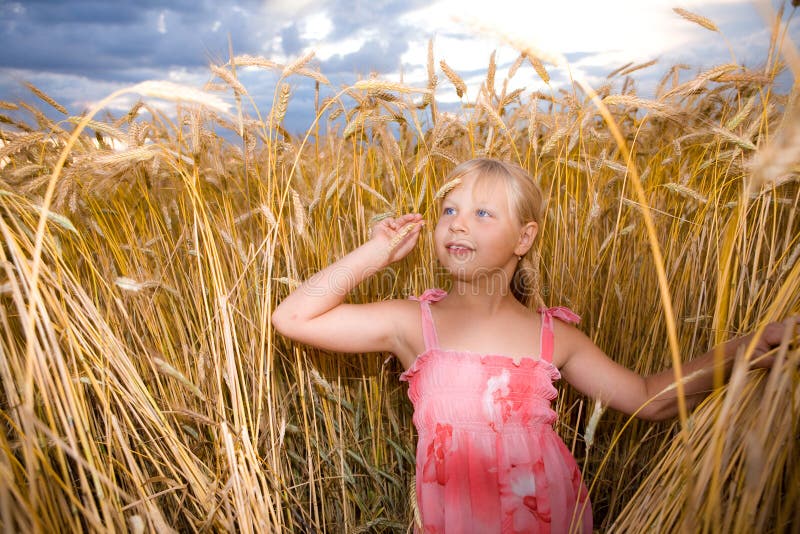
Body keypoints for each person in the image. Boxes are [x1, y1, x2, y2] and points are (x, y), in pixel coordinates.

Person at [271, 158, 795, 533]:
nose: (457, 221)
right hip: (453, 518)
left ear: (524, 239)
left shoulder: (555, 336)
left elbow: (649, 398)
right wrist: (375, 254)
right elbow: (292, 316)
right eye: (449, 209)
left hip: (547, 516)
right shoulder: (412, 323)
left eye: (482, 213)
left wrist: (750, 348)